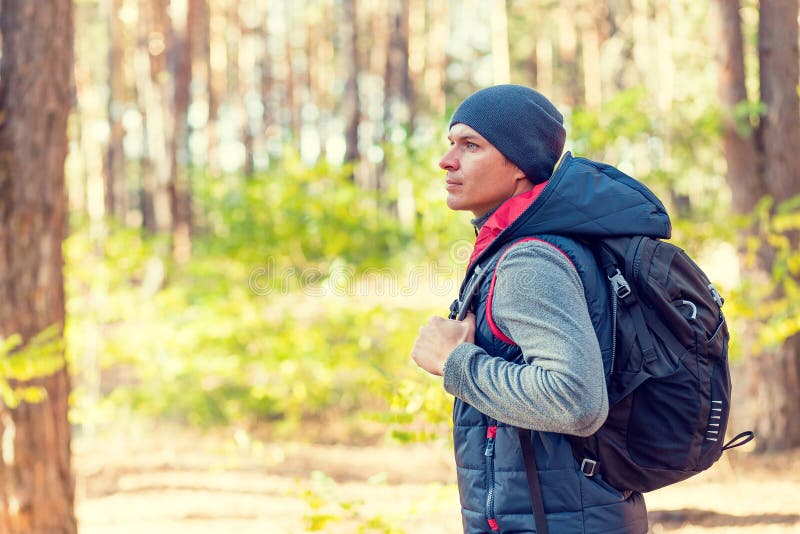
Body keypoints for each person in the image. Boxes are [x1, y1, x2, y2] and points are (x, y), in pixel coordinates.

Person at [410, 84, 666, 533]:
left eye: (471, 145)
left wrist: (455, 362)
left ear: (520, 165)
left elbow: (575, 401)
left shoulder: (530, 260)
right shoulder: (528, 246)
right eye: (451, 143)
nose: (447, 161)